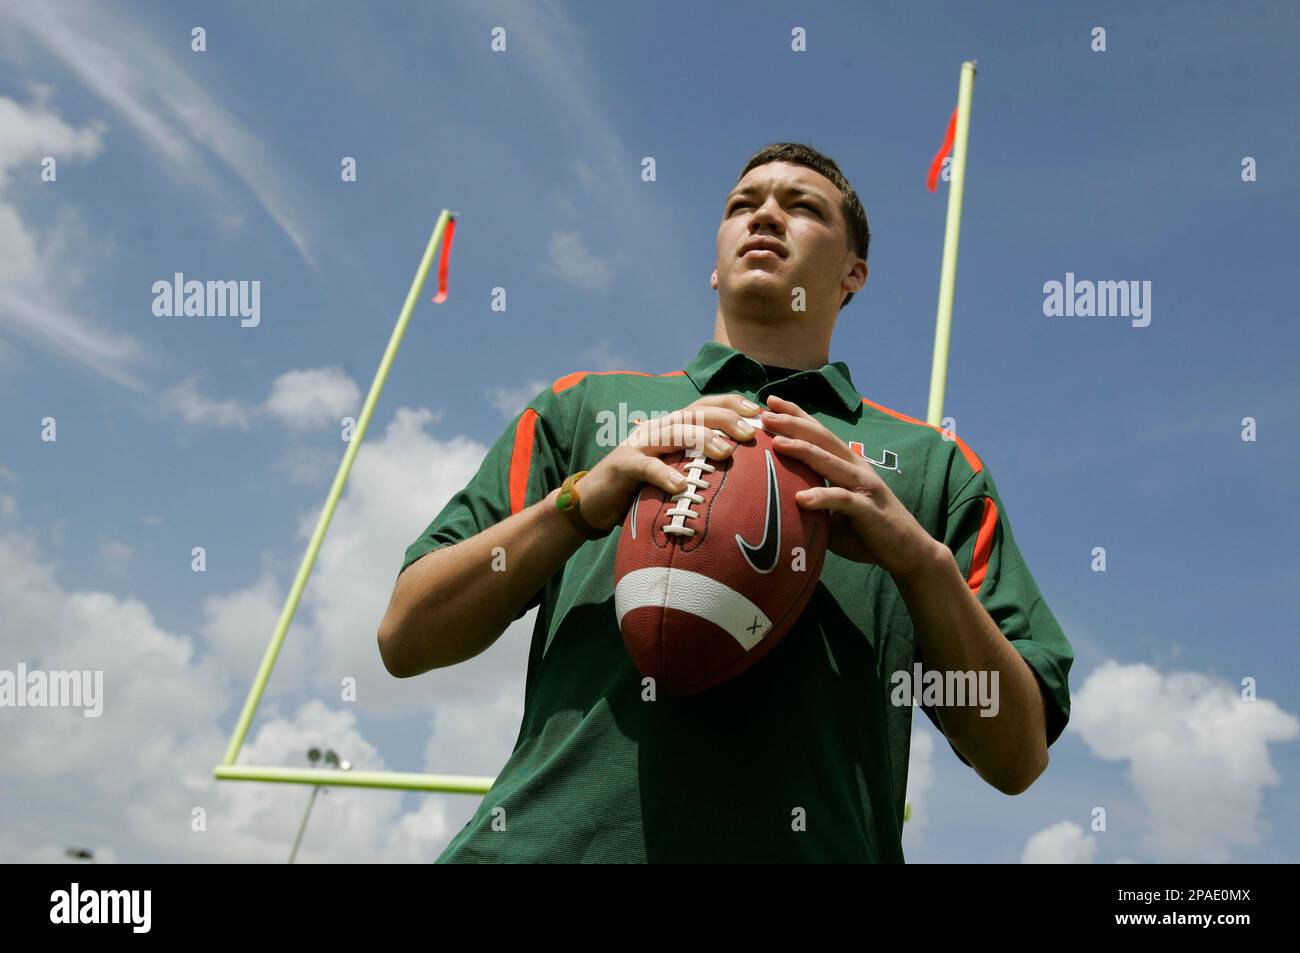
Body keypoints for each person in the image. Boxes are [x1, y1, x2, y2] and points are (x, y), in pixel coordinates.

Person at [378, 142, 1074, 863]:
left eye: (802, 207)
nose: (765, 214)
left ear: (853, 275)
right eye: (743, 205)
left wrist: (920, 564)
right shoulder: (588, 409)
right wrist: (582, 501)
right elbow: (406, 636)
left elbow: (1016, 757)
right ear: (715, 264)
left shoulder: (934, 467)